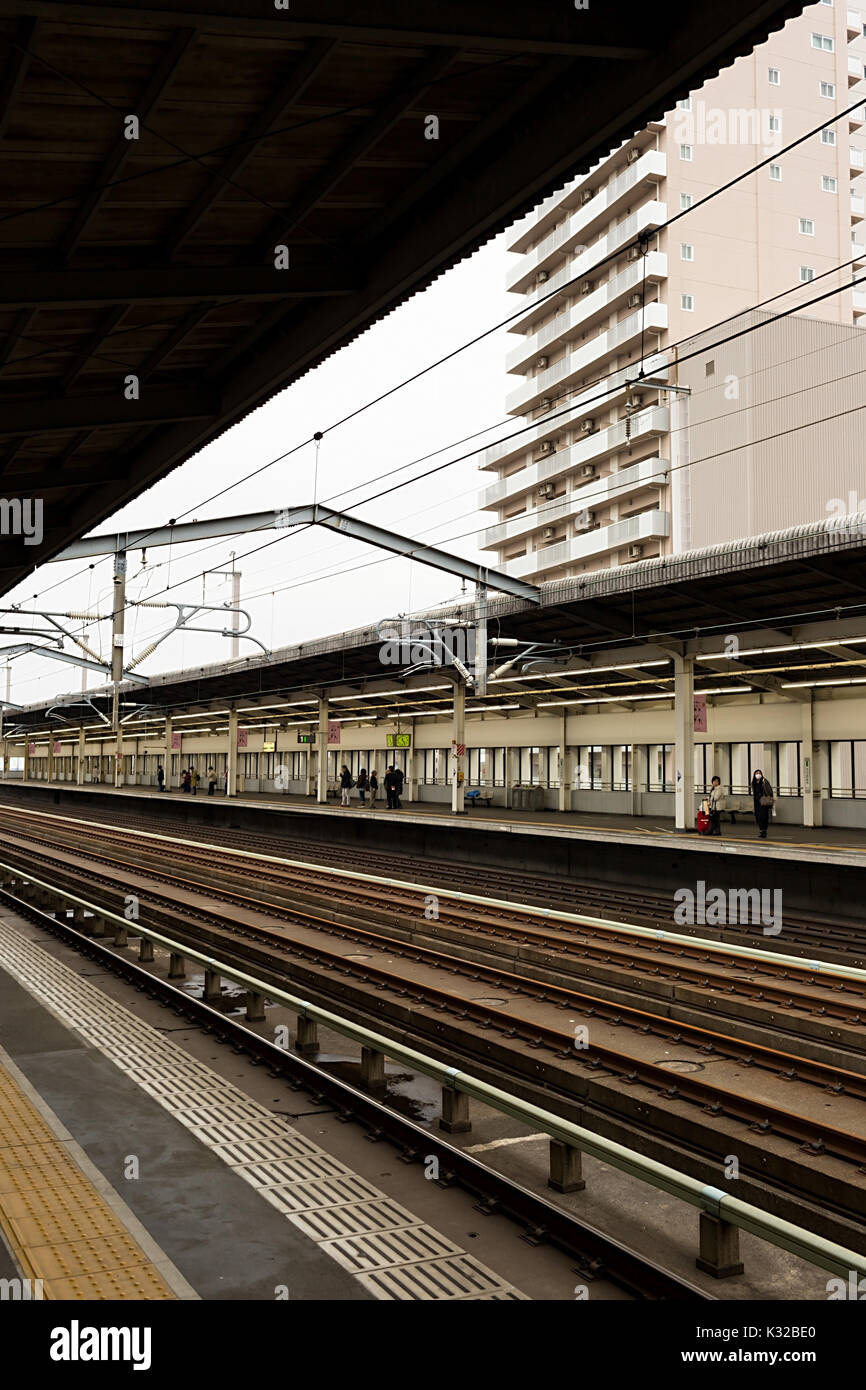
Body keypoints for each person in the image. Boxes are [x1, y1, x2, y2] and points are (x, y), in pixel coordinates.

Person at [751, 768, 774, 839]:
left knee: (764, 816)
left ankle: (764, 831)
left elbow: (769, 791)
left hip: (763, 801)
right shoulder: (753, 783)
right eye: (757, 773)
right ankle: (761, 830)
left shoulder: (764, 781)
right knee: (758, 817)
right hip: (757, 802)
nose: (758, 774)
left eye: (759, 773)